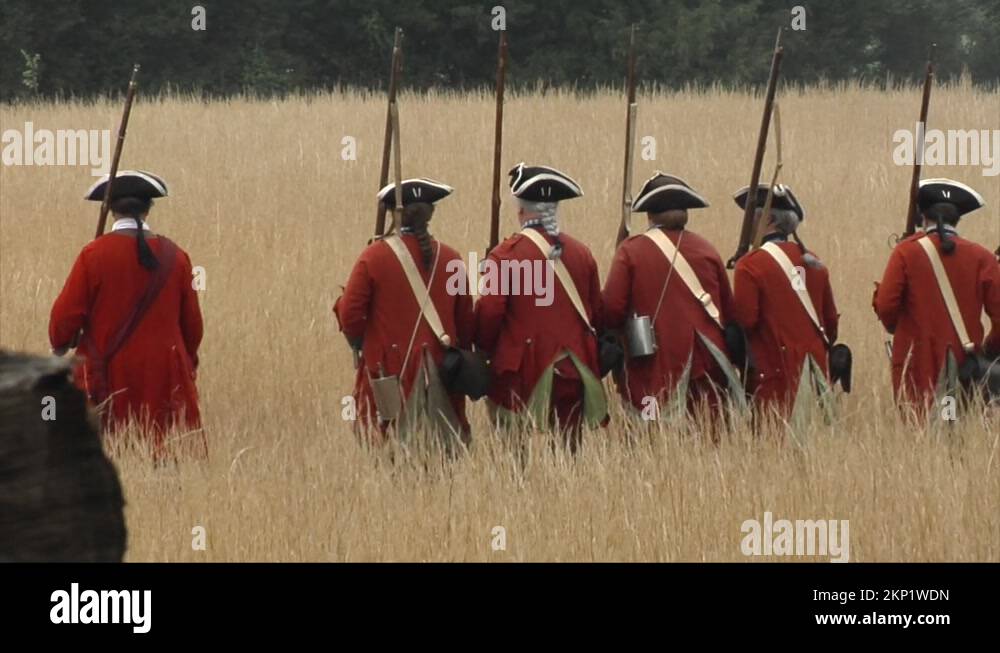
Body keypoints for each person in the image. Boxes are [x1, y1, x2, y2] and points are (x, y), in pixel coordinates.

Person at [49, 170, 204, 458]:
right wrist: (186, 362)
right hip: (165, 370)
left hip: (109, 367)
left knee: (110, 449)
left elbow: (63, 319)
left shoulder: (93, 255)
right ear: (148, 209)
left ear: (108, 209)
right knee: (168, 451)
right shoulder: (178, 257)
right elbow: (192, 326)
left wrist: (62, 343)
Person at [474, 163, 607, 451]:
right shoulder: (582, 253)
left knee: (512, 451)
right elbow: (597, 312)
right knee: (569, 452)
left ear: (521, 210)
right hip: (574, 367)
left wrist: (485, 351)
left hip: (521, 372)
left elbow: (490, 315)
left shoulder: (505, 256)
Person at [334, 178, 474, 449]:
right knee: (445, 455)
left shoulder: (373, 257)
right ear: (429, 213)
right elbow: (466, 323)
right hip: (443, 372)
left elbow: (351, 318)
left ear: (393, 214)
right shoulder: (452, 258)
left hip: (389, 372)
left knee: (385, 450)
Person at [603, 173, 737, 422]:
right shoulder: (707, 249)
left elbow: (611, 311)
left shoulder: (631, 251)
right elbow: (729, 310)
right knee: (709, 431)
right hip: (708, 361)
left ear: (650, 215)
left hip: (656, 364)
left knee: (654, 434)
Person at [873, 178, 1000, 412]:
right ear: (958, 218)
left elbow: (886, 307)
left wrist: (898, 328)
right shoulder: (982, 257)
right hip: (967, 363)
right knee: (961, 428)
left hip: (917, 361)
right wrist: (989, 350)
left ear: (923, 216)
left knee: (921, 429)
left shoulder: (906, 251)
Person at [732, 184, 840, 416]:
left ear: (767, 219)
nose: (746, 225)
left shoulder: (750, 265)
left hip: (774, 373)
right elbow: (830, 324)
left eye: (750, 217)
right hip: (816, 370)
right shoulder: (814, 262)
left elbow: (745, 322)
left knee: (774, 443)